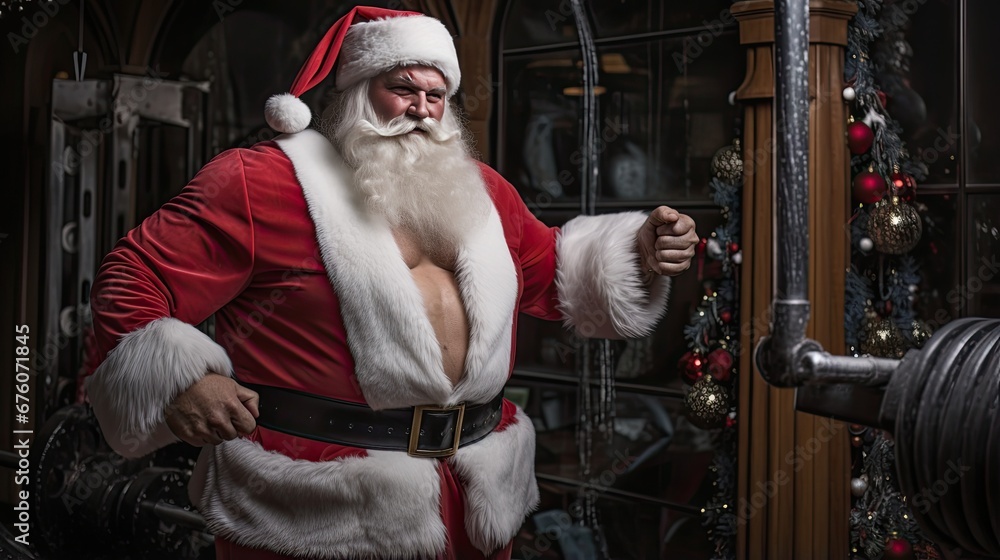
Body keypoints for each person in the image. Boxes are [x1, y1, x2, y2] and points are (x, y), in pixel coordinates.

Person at [84, 6, 699, 560]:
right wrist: (184, 380)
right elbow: (131, 276)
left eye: (436, 95)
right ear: (355, 91)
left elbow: (555, 276)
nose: (421, 110)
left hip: (476, 499)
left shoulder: (483, 194)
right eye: (401, 88)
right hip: (318, 509)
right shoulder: (260, 183)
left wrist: (638, 252)